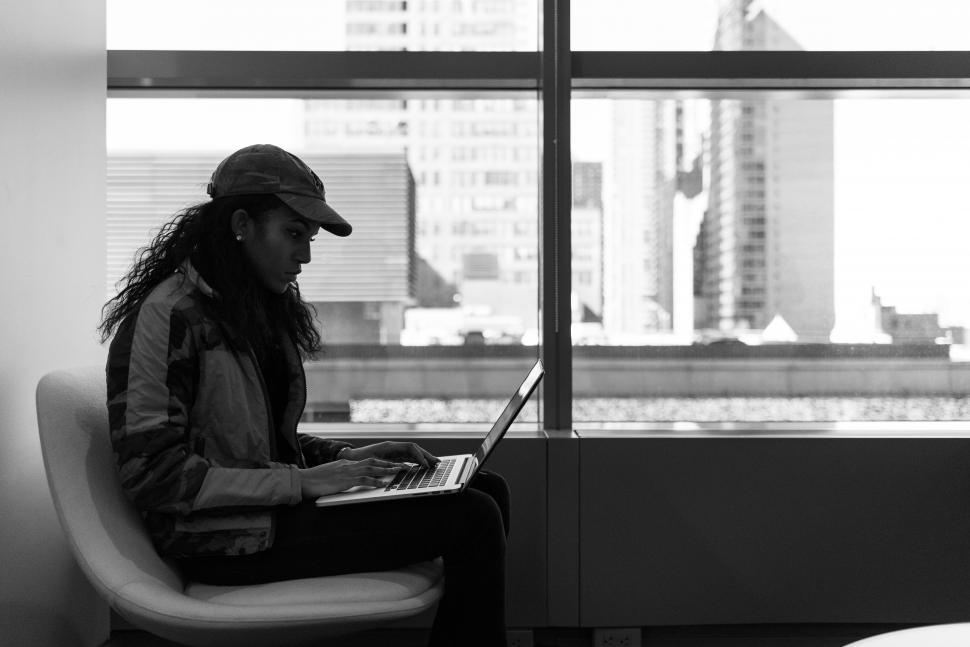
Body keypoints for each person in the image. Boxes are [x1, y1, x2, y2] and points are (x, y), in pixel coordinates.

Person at [99, 144, 511, 647]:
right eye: (293, 234)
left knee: (487, 487)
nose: (306, 255)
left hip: (264, 515)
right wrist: (304, 483)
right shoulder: (168, 318)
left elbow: (259, 441)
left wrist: (343, 457)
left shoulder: (245, 307)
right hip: (220, 539)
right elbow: (154, 476)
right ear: (241, 224)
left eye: (308, 238)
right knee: (474, 517)